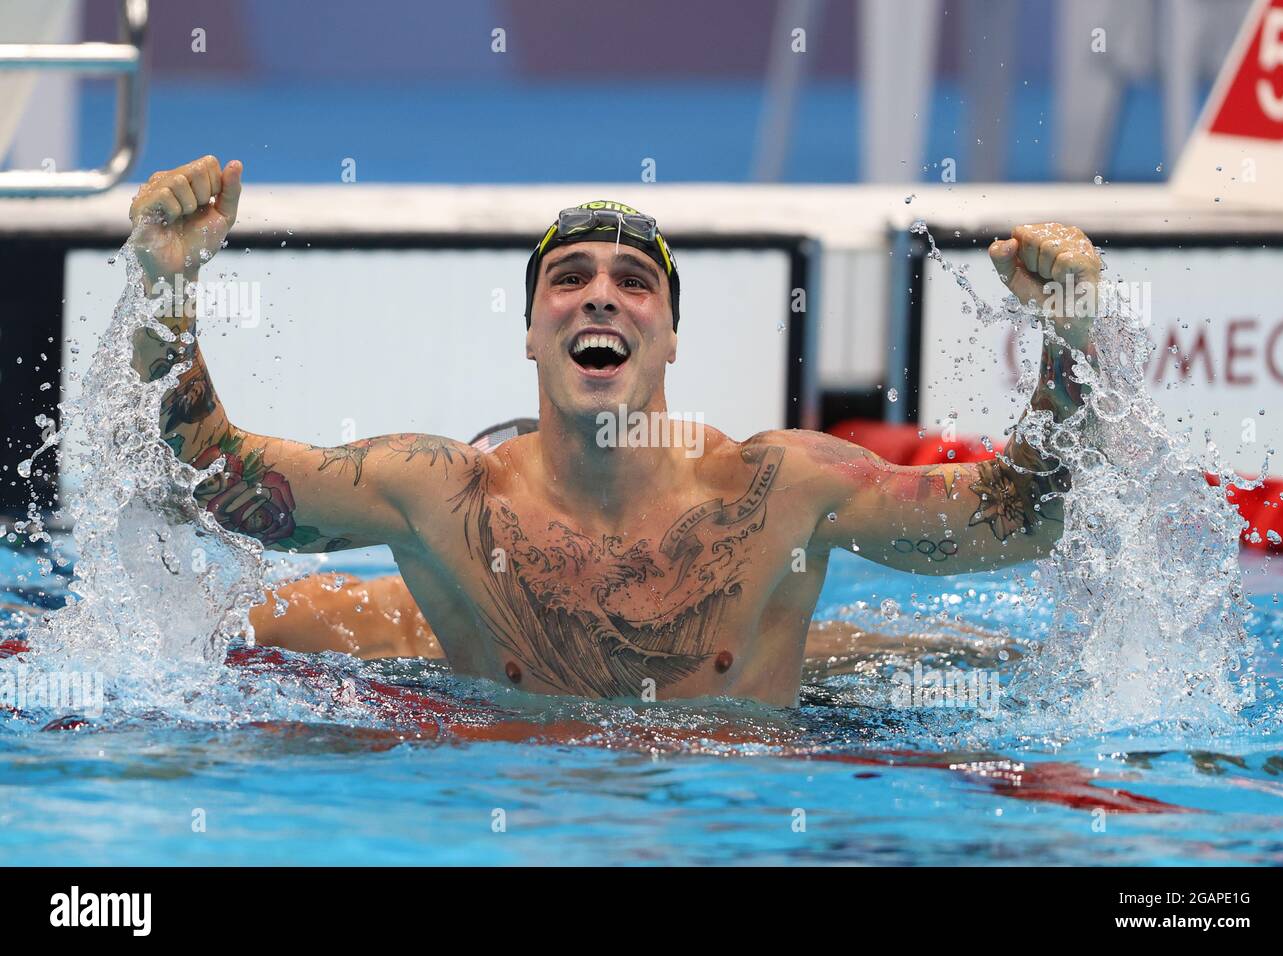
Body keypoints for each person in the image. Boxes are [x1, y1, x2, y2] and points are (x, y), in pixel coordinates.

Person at [128, 156, 1099, 706]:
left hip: (740, 832)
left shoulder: (783, 489)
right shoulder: (437, 493)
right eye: (570, 278)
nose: (602, 293)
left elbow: (1019, 520)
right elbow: (215, 478)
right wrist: (165, 289)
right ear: (531, 331)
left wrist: (1070, 343)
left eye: (635, 282)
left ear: (669, 333)